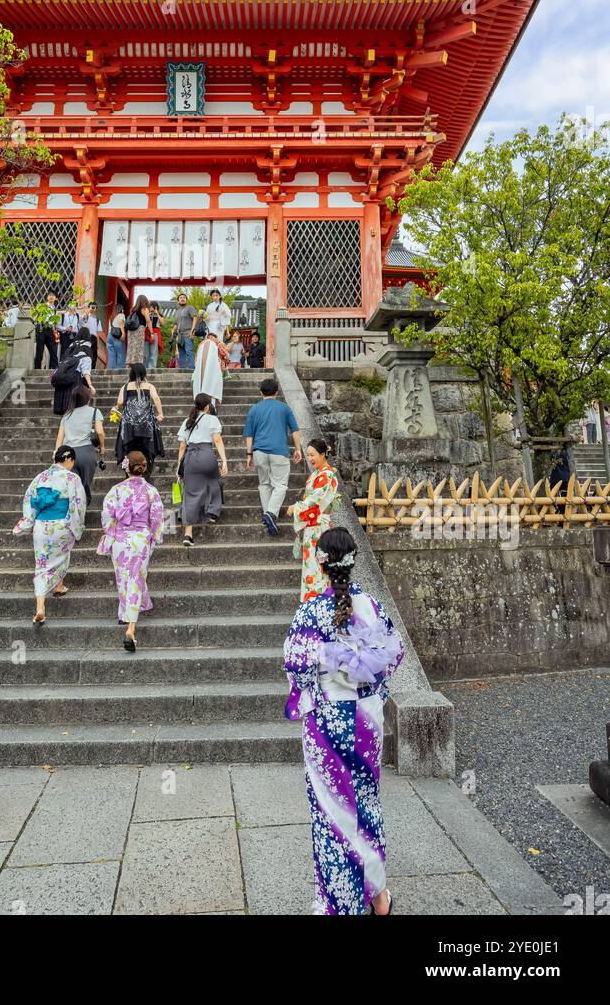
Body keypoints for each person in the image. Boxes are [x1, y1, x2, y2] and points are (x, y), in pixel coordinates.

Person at [284, 527, 404, 916]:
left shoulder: (310, 610)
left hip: (328, 718)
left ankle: (338, 903)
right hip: (367, 718)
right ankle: (379, 895)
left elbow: (297, 666)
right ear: (352, 562)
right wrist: (370, 689)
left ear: (320, 563)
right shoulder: (371, 605)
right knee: (367, 801)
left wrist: (317, 689)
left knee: (331, 809)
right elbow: (393, 655)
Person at [98, 450, 164, 652]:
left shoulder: (116, 490)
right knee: (137, 575)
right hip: (141, 538)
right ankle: (131, 628)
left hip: (120, 538)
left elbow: (107, 515)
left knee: (123, 576)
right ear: (144, 467)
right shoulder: (151, 491)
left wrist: (111, 532)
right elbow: (157, 518)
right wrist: (155, 538)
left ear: (126, 467)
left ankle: (125, 614)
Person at [15, 446, 87, 625]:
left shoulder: (40, 477)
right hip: (61, 524)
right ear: (69, 459)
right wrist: (76, 525)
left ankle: (41, 606)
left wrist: (30, 522)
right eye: (73, 461)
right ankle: (58, 586)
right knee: (62, 554)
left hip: (41, 525)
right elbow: (78, 504)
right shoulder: (72, 478)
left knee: (41, 564)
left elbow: (29, 501)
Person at [243, 378, 302, 536]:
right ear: (277, 392)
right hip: (279, 451)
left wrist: (249, 454)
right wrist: (298, 449)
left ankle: (268, 515)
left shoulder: (254, 410)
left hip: (259, 451)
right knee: (280, 485)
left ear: (260, 392)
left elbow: (249, 435)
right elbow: (295, 432)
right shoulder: (284, 408)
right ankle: (271, 514)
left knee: (264, 484)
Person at [287, 439, 341, 601]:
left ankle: (319, 602)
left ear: (323, 454)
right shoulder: (316, 475)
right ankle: (313, 602)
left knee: (319, 566)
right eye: (308, 455)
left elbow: (316, 500)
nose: (310, 458)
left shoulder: (327, 475)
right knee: (311, 566)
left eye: (313, 455)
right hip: (312, 527)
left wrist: (296, 508)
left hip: (320, 528)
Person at [176, 394, 228, 546]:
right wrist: (224, 460)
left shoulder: (187, 421)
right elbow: (217, 440)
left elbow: (182, 446)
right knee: (214, 481)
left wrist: (179, 464)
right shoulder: (212, 419)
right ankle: (212, 511)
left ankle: (188, 535)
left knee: (190, 493)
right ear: (207, 406)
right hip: (207, 455)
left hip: (190, 458)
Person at [55, 383, 105, 504]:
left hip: (68, 454)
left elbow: (59, 439)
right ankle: (83, 508)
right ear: (87, 398)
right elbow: (99, 431)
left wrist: (56, 457)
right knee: (85, 484)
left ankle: (72, 511)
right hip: (87, 452)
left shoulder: (66, 415)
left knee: (71, 487)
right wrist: (102, 446)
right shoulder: (94, 412)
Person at [114, 364, 164, 478]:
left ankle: (130, 474)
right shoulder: (149, 386)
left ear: (131, 373)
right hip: (146, 426)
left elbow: (120, 402)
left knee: (130, 451)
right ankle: (145, 475)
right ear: (144, 373)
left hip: (129, 427)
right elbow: (156, 398)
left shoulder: (125, 387)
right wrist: (160, 413)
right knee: (146, 450)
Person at [51, 328, 95, 416]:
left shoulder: (70, 348)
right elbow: (85, 370)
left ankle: (63, 429)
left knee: (64, 413)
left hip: (63, 383)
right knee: (74, 410)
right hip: (74, 383)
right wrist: (90, 385)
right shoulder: (87, 349)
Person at [192, 332, 229, 407]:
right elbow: (226, 356)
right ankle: (211, 406)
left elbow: (196, 359)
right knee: (212, 384)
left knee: (201, 383)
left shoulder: (201, 344)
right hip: (214, 368)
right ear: (214, 338)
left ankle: (200, 403)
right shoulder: (217, 344)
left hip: (200, 369)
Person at [34, 291, 61, 370]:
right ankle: (37, 369)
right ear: (47, 297)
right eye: (50, 295)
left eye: (53, 295)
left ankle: (55, 369)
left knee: (53, 351)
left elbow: (55, 323)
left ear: (56, 298)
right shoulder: (42, 307)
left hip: (50, 331)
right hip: (42, 329)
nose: (51, 297)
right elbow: (37, 317)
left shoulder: (55, 310)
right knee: (39, 351)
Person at [173, 293, 200, 372]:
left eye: (184, 297)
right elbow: (175, 324)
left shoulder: (190, 308)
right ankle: (182, 369)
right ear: (178, 301)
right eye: (180, 298)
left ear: (186, 300)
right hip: (179, 335)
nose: (182, 299)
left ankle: (192, 369)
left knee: (189, 351)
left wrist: (193, 330)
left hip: (188, 332)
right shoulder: (177, 311)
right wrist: (173, 333)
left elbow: (195, 318)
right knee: (181, 353)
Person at [125, 294, 151, 366]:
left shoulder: (133, 309)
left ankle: (128, 364)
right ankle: (137, 363)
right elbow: (148, 321)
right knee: (138, 346)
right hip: (139, 329)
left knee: (131, 346)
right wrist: (151, 332)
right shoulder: (144, 309)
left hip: (131, 330)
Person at [143, 305, 164, 374]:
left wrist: (157, 313)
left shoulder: (159, 315)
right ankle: (144, 367)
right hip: (146, 333)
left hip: (155, 333)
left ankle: (151, 368)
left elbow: (162, 323)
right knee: (145, 352)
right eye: (150, 307)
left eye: (153, 307)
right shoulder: (146, 314)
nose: (151, 308)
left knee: (154, 352)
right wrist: (147, 315)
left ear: (156, 308)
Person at [107, 301, 127, 370]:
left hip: (110, 336)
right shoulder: (121, 315)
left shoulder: (112, 316)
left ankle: (111, 369)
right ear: (120, 309)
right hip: (117, 336)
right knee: (120, 353)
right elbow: (121, 322)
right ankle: (120, 369)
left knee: (111, 354)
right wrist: (123, 333)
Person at [84, 300, 102, 369]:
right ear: (88, 307)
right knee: (86, 353)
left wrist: (98, 343)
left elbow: (98, 332)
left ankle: (92, 368)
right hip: (86, 337)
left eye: (95, 308)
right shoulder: (86, 316)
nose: (93, 309)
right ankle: (85, 368)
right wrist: (88, 312)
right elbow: (83, 320)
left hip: (94, 338)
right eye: (92, 307)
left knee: (94, 354)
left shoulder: (97, 320)